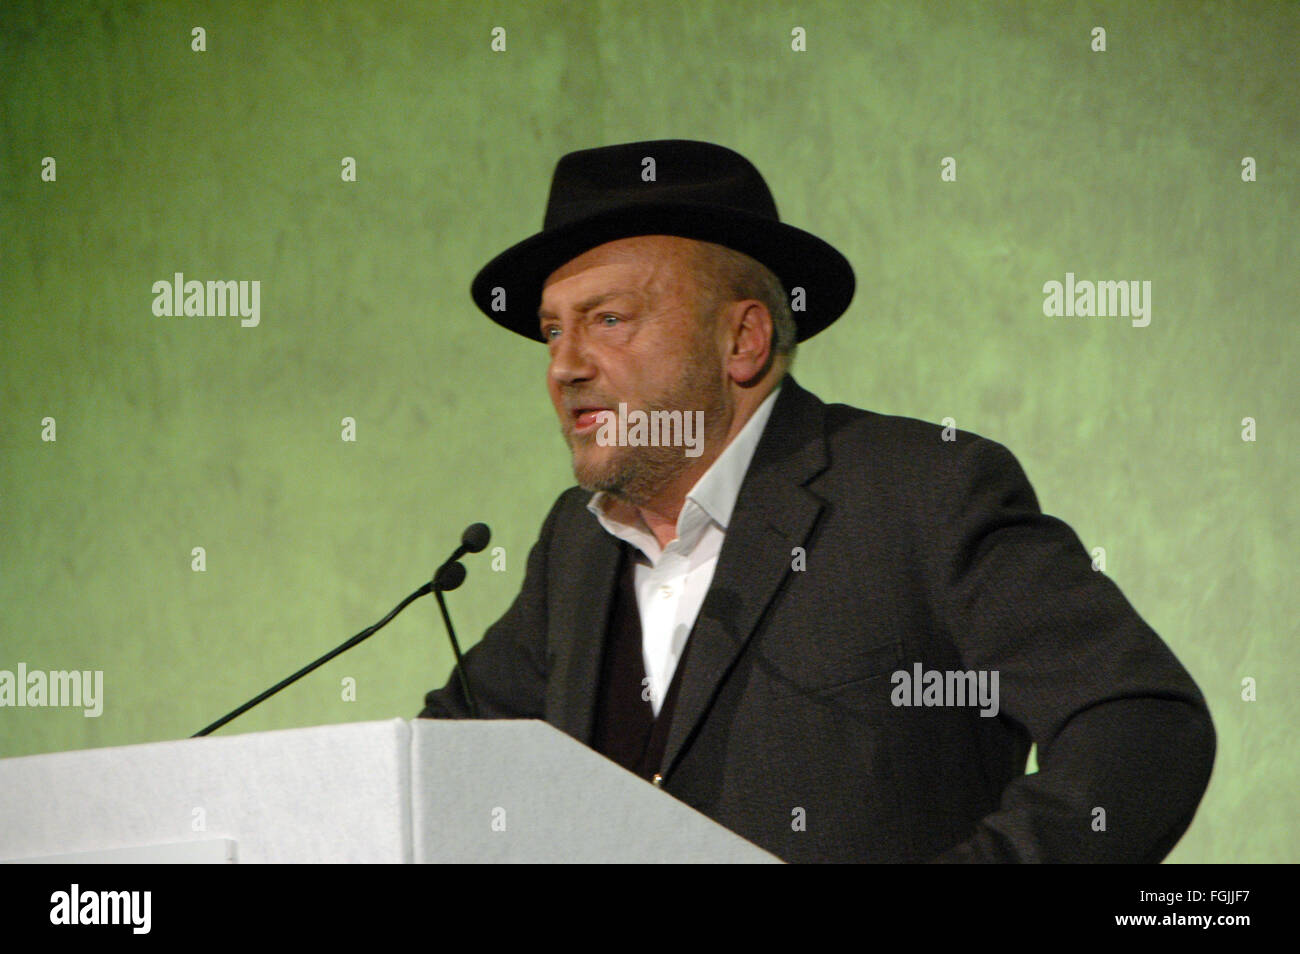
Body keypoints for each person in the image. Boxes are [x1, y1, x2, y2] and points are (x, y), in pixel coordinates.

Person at [420, 139, 1215, 863]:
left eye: (609, 320)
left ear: (743, 342)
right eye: (552, 331)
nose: (565, 365)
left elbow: (1142, 725)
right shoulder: (577, 545)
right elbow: (439, 768)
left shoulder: (920, 490)